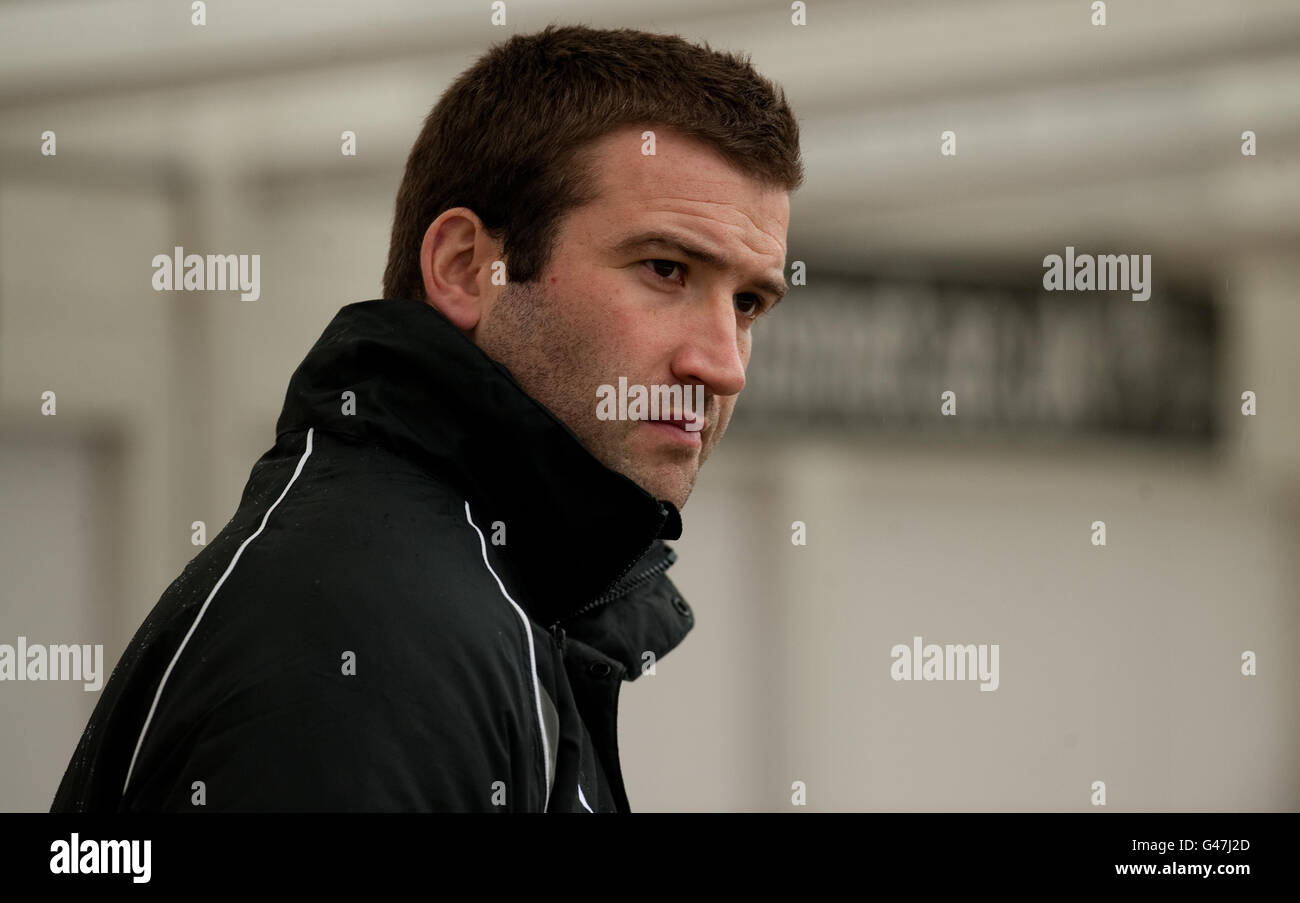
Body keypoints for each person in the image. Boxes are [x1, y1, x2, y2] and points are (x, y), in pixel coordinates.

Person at [51, 23, 802, 813]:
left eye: (749, 302)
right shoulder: (360, 639)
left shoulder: (488, 597)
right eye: (666, 269)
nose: (723, 364)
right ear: (466, 269)